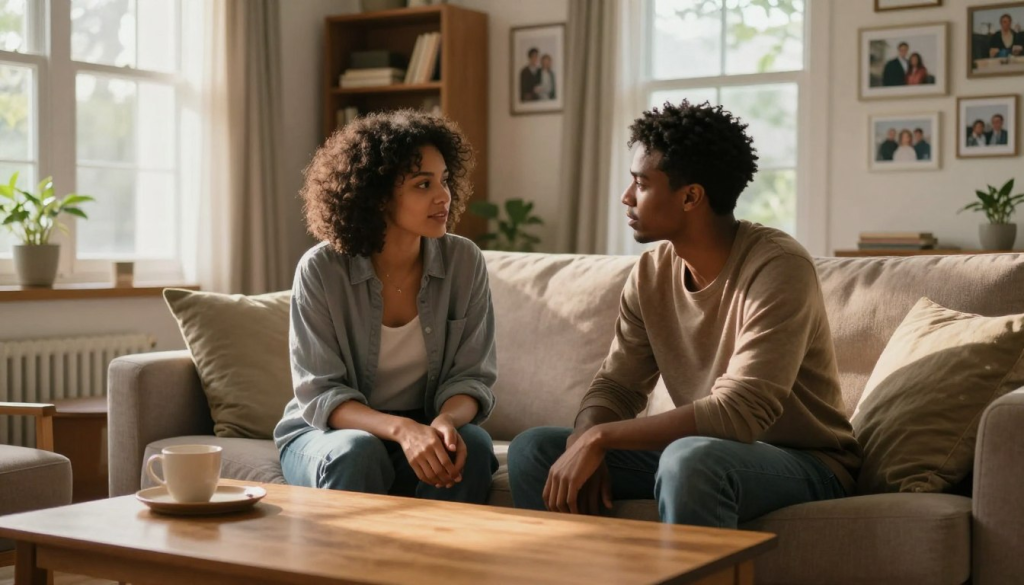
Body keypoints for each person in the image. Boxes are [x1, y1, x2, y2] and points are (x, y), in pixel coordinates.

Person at [507, 101, 861, 529]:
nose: (626, 196)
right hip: (704, 452)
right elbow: (617, 387)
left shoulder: (779, 266)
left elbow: (740, 412)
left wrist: (602, 438)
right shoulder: (652, 271)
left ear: (691, 196)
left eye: (640, 183)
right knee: (535, 452)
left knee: (690, 459)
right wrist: (585, 437)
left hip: (806, 463)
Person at [275, 109, 499, 504]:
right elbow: (321, 393)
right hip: (327, 433)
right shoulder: (322, 270)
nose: (443, 195)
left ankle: (448, 565)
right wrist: (401, 430)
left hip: (422, 425)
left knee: (472, 446)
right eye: (422, 184)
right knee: (358, 453)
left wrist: (444, 421)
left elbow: (472, 377)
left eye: (445, 180)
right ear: (377, 195)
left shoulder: (464, 262)